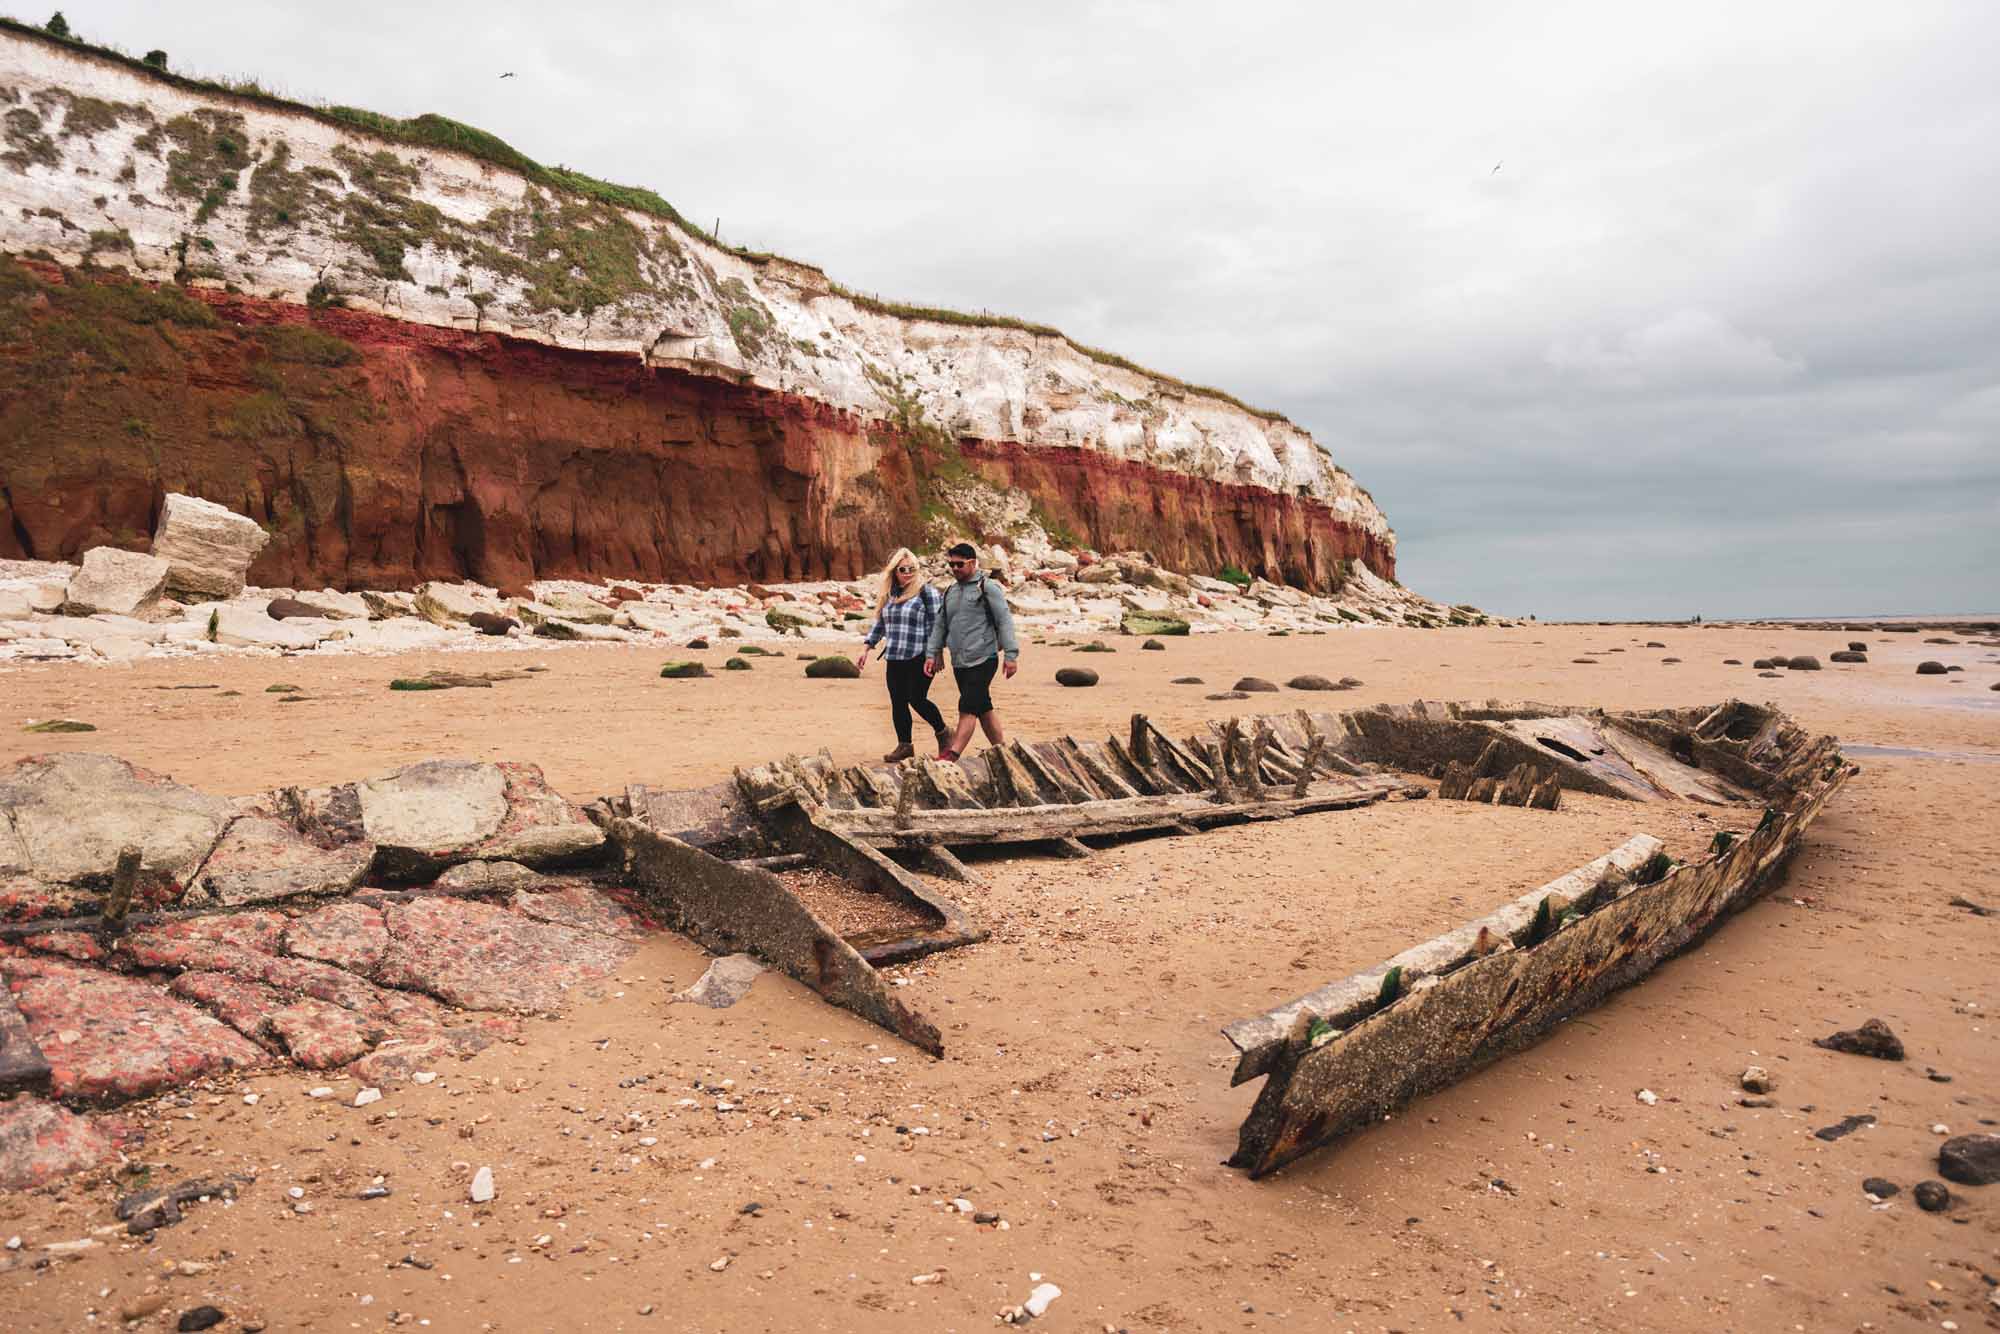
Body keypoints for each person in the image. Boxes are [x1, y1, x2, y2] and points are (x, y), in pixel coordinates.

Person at [924, 541, 1019, 762]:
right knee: (982, 706)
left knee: (967, 706)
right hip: (959, 661)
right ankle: (1002, 750)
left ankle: (953, 753)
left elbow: (1004, 620)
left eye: (960, 564)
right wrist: (933, 653)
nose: (955, 569)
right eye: (952, 565)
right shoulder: (950, 591)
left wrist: (1011, 655)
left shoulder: (988, 587)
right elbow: (940, 624)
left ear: (973, 563)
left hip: (984, 657)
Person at [854, 547, 949, 763]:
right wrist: (866, 648)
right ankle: (904, 745)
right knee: (898, 701)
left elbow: (938, 625)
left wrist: (936, 653)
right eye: (903, 569)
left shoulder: (927, 592)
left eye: (912, 568)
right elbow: (880, 625)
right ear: (894, 571)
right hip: (895, 656)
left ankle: (943, 733)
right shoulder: (891, 596)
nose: (908, 572)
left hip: (921, 655)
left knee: (917, 698)